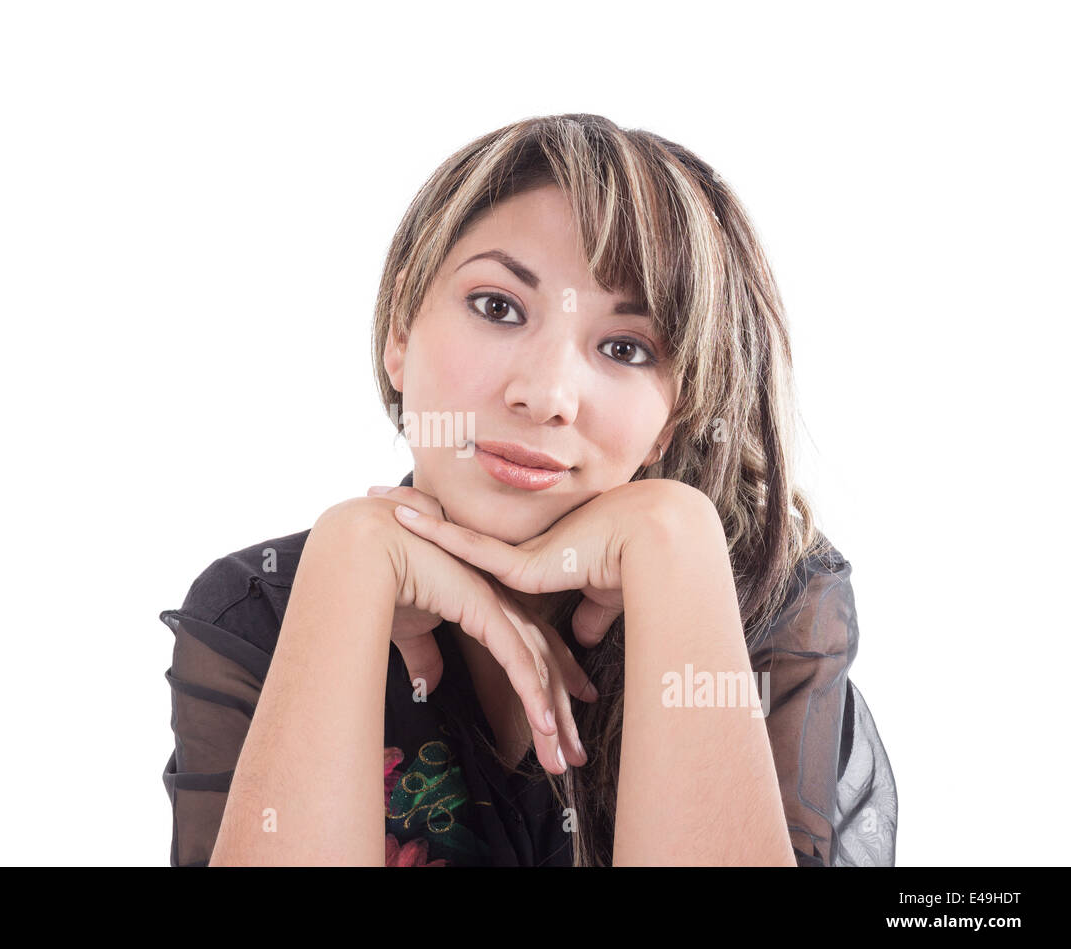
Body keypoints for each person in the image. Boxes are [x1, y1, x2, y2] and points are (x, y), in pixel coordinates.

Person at [159, 113, 898, 866]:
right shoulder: (259, 614)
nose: (547, 394)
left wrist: (672, 539)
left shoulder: (759, 600)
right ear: (400, 334)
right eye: (498, 307)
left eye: (624, 348)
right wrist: (350, 559)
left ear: (673, 418)